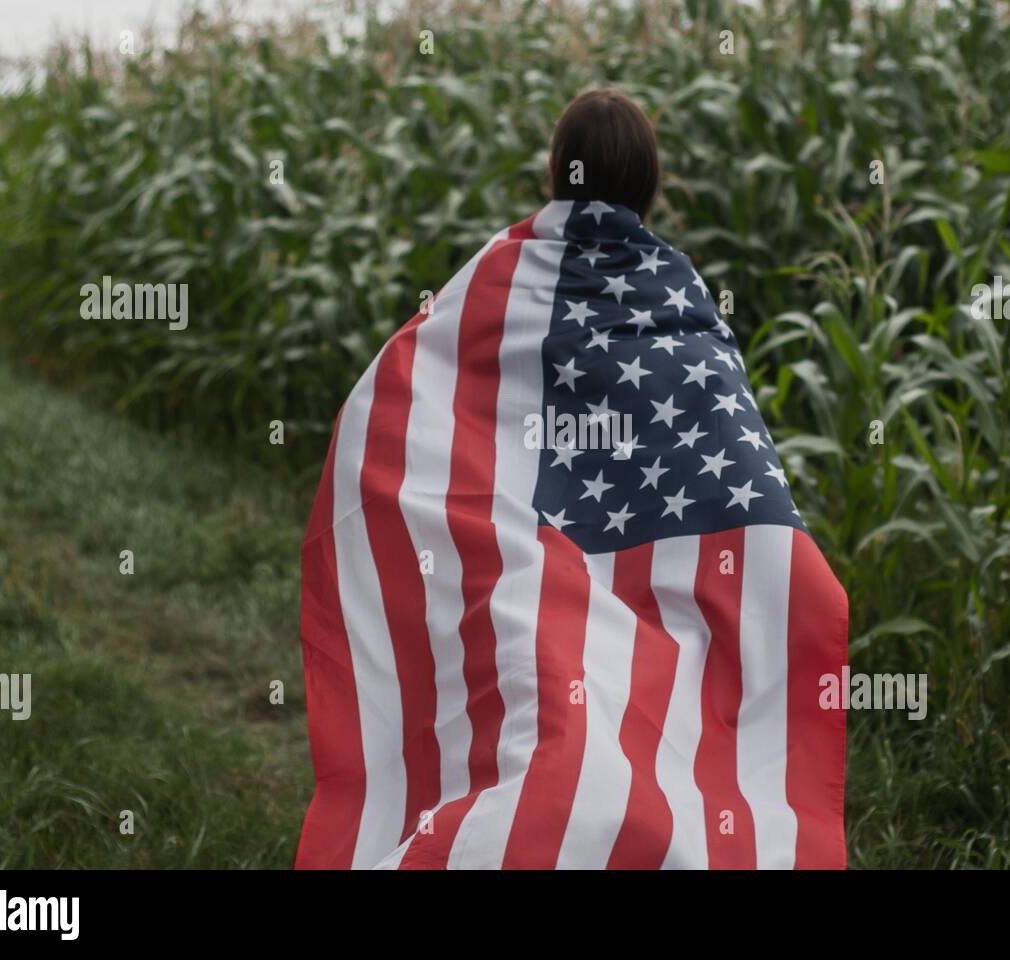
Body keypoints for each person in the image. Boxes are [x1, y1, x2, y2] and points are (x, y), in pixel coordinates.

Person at [296, 88, 847, 870]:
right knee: (588, 720)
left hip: (529, 567)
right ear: (651, 185)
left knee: (550, 717)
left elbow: (396, 402)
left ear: (556, 170)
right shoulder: (681, 297)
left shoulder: (496, 277)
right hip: (617, 577)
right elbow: (738, 457)